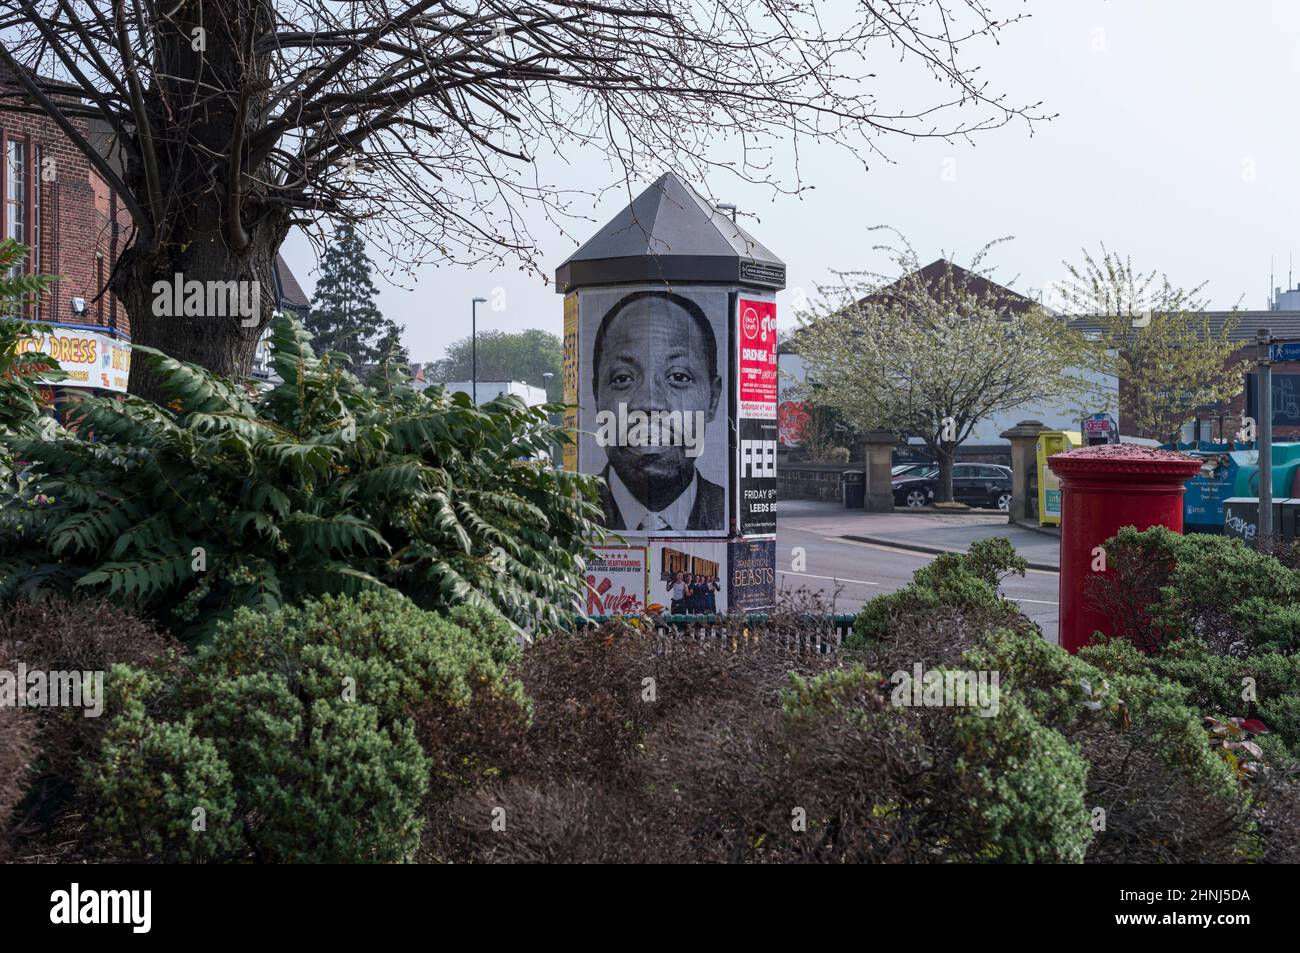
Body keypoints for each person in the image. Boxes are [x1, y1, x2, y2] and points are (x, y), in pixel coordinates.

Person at [589, 289, 725, 531]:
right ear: (597, 396)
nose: (650, 404)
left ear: (712, 399)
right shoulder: (569, 514)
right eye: (622, 378)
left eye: (678, 377)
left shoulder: (734, 513)